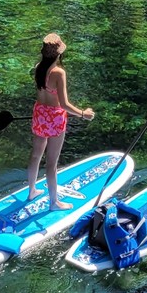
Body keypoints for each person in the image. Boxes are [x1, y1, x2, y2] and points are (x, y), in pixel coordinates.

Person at [27, 33, 95, 210]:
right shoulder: (59, 73)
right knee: (52, 162)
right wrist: (83, 113)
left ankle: (32, 190)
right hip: (54, 118)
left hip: (39, 114)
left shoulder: (38, 68)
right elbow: (64, 104)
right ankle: (54, 202)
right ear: (59, 54)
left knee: (35, 155)